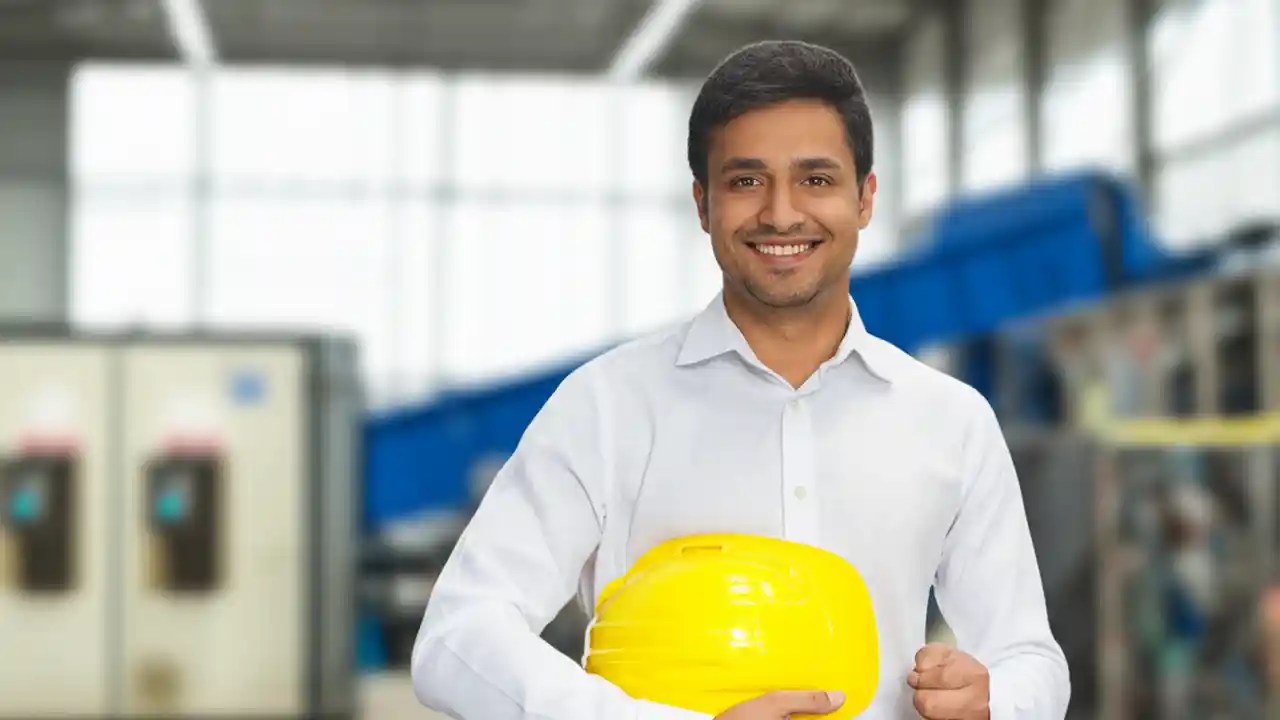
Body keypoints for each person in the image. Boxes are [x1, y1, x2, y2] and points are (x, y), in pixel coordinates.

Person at [412, 40, 1070, 720]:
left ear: (865, 197)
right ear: (703, 204)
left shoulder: (951, 421)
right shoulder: (607, 407)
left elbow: (1029, 656)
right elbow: (459, 636)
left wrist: (994, 701)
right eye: (746, 181)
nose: (782, 214)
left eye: (816, 179)